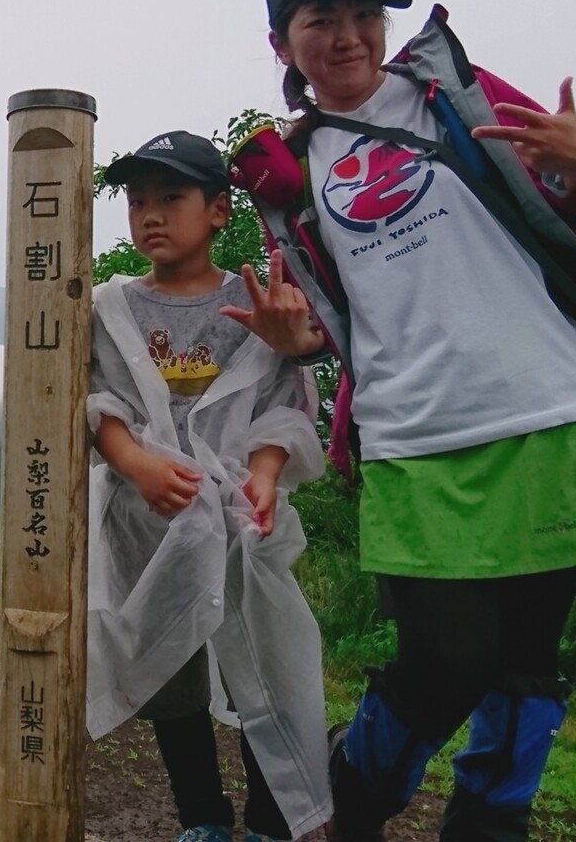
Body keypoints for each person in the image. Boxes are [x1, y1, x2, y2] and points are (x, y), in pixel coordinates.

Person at [225, 0, 576, 842]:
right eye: (320, 19)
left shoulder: (459, 96)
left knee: (527, 664)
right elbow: (316, 312)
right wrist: (293, 338)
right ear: (282, 43)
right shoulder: (293, 173)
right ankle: (353, 800)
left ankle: (489, 825)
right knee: (445, 662)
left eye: (365, 13)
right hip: (412, 432)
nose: (348, 36)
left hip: (550, 406)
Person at [87, 129, 332, 842]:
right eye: (137, 201)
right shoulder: (113, 307)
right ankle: (202, 819)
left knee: (258, 657)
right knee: (172, 672)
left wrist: (261, 473)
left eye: (171, 197)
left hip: (239, 523)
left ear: (219, 210)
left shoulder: (256, 302)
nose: (151, 215)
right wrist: (138, 463)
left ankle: (266, 820)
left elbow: (285, 403)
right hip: (145, 520)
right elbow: (101, 403)